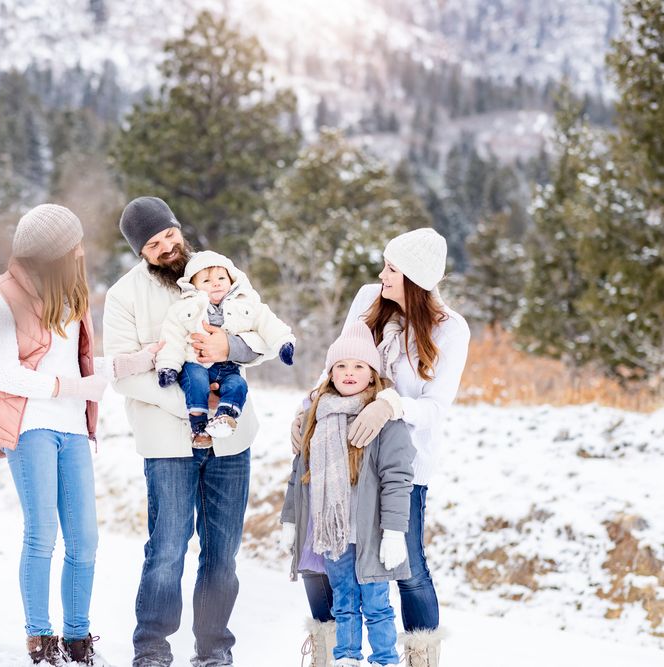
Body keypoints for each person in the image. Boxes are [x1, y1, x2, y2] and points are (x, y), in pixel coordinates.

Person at [289, 227, 470, 667]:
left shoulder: (451, 330)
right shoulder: (369, 300)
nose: (382, 275)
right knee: (321, 555)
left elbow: (436, 407)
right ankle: (332, 651)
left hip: (399, 466)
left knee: (407, 566)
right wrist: (308, 407)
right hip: (340, 456)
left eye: (391, 269)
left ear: (415, 279)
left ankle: (420, 657)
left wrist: (390, 404)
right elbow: (338, 364)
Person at [102, 196, 266, 667]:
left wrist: (229, 346)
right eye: (153, 244)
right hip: (167, 441)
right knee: (168, 548)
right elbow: (122, 374)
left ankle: (214, 650)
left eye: (169, 235)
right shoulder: (124, 296)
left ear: (178, 227)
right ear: (140, 252)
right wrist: (191, 406)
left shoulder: (222, 274)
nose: (167, 247)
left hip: (230, 437)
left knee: (222, 553)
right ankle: (152, 647)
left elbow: (260, 338)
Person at [0, 204, 108, 666]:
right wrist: (72, 388)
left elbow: (78, 365)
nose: (80, 251)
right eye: (73, 244)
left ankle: (77, 639)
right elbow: (5, 374)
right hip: (30, 425)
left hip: (73, 428)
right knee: (42, 533)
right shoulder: (2, 296)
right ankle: (40, 638)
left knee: (85, 539)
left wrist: (136, 361)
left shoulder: (75, 296)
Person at [280, 321, 415, 667]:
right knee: (344, 603)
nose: (349, 373)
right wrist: (290, 521)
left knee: (377, 605)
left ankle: (384, 660)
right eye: (341, 366)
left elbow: (397, 478)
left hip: (370, 533)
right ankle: (346, 658)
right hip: (333, 534)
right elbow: (299, 474)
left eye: (358, 366)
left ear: (372, 375)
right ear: (331, 373)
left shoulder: (385, 419)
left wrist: (394, 532)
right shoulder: (316, 415)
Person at [156, 250, 295, 447]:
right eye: (206, 281)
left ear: (231, 280)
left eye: (221, 278)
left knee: (238, 385)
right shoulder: (184, 308)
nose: (216, 283)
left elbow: (268, 323)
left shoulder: (246, 303)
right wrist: (168, 367)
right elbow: (172, 338)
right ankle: (199, 429)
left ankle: (225, 417)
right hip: (196, 363)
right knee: (196, 382)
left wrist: (283, 342)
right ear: (193, 286)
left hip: (229, 367)